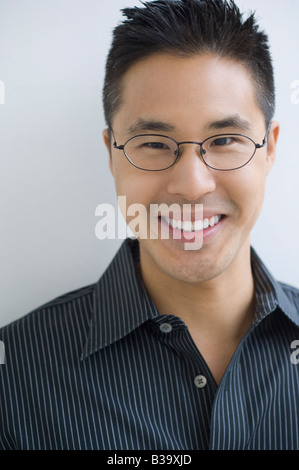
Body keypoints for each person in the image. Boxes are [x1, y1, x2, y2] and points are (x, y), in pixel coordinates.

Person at [1, 0, 299, 451]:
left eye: (224, 140)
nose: (192, 186)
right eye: (155, 144)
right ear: (111, 152)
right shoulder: (14, 377)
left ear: (269, 148)